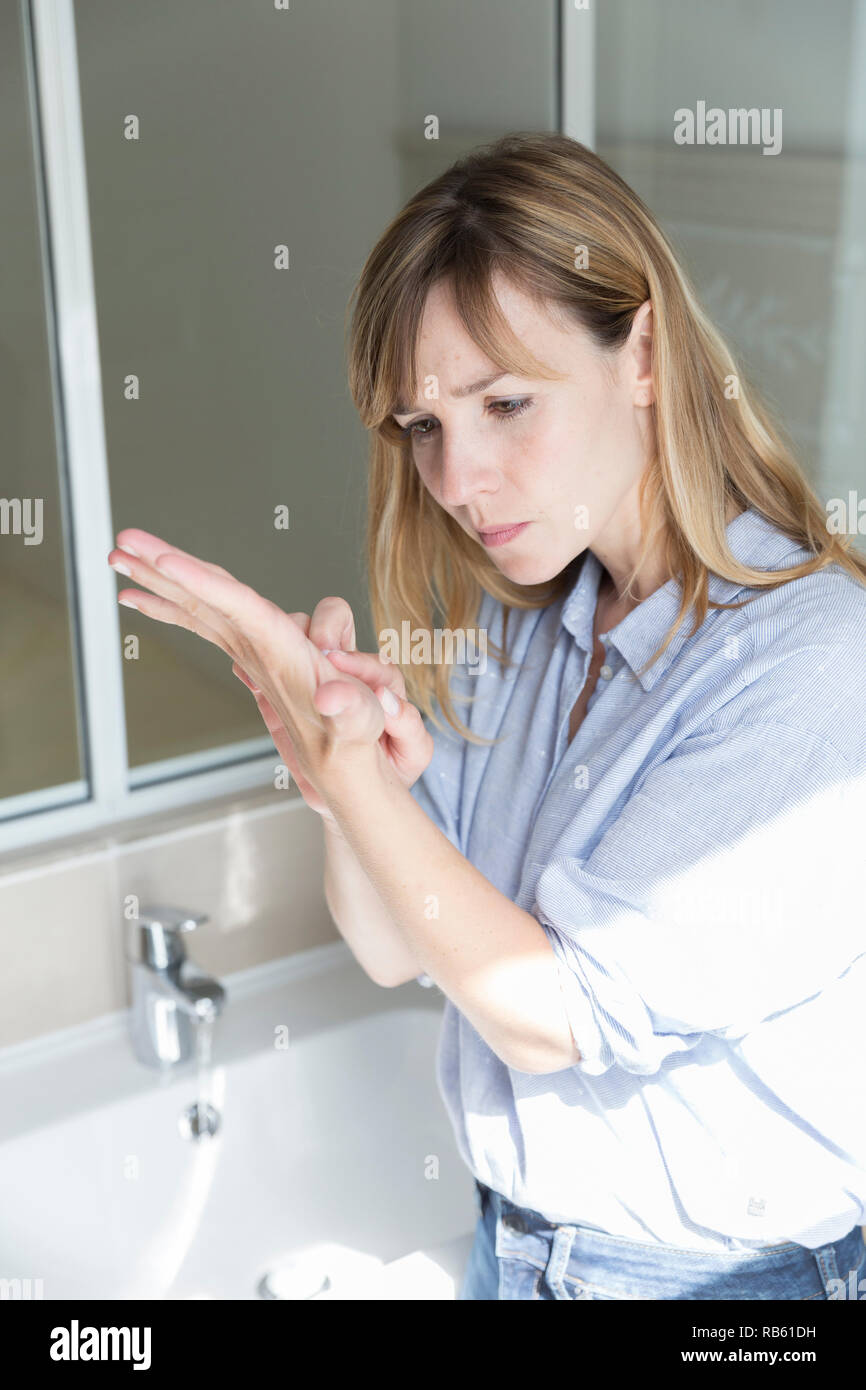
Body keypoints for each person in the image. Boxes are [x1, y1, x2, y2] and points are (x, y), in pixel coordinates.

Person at [109, 131, 866, 1300]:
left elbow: (545, 1013)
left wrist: (359, 785)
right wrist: (343, 771)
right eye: (422, 427)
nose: (456, 479)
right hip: (512, 1252)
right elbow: (392, 943)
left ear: (646, 355)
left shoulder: (814, 665)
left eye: (504, 403)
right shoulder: (522, 625)